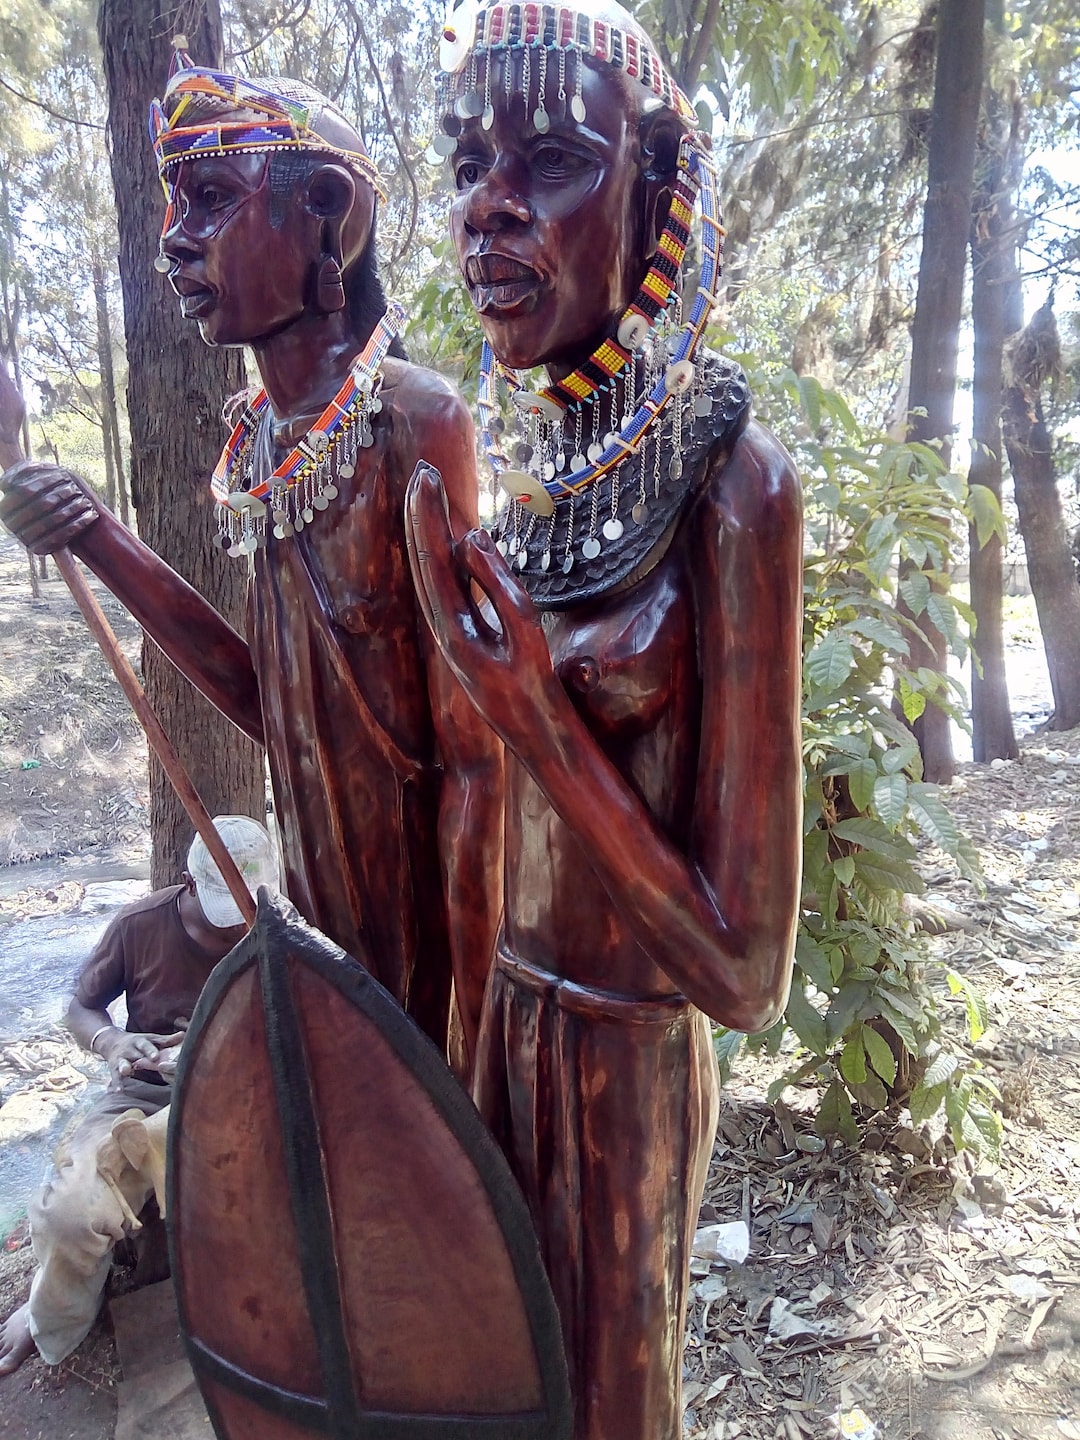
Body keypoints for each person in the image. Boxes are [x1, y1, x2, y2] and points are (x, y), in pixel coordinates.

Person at [406, 2, 803, 1435]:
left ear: (659, 190)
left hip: (626, 1066)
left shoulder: (735, 486)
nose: (488, 211)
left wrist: (535, 718)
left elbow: (746, 972)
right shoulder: (525, 497)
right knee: (492, 1386)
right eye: (467, 165)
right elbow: (475, 835)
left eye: (554, 159)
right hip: (497, 1030)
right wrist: (451, 1069)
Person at [0, 53, 502, 1070]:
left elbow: (475, 750)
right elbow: (263, 702)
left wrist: (482, 990)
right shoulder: (266, 441)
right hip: (321, 886)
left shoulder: (416, 421)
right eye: (176, 205)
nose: (177, 241)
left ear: (326, 209)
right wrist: (94, 532)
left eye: (213, 199)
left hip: (434, 917)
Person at [0, 815, 278, 1377]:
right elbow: (80, 1007)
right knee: (71, 1214)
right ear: (188, 883)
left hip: (248, 1096)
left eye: (246, 908)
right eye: (223, 910)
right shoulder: (138, 925)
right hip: (147, 1094)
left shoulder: (283, 925)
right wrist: (112, 1040)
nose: (233, 930)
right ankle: (49, 1319)